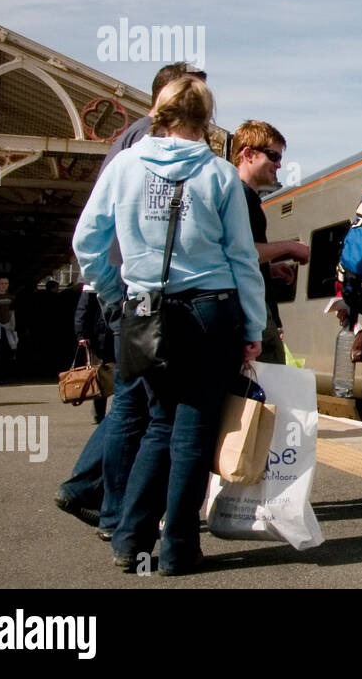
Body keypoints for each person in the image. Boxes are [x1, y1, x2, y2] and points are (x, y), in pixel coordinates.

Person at [73, 77, 264, 575]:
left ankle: (130, 541)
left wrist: (115, 298)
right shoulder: (221, 174)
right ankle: (179, 549)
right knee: (193, 431)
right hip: (211, 310)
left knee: (158, 426)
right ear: (206, 118)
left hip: (145, 310)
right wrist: (254, 326)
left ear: (159, 112)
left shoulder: (124, 166)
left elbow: (86, 244)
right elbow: (242, 258)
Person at [55, 62, 209, 536]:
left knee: (134, 402)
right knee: (137, 406)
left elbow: (92, 232)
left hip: (128, 292)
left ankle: (105, 504)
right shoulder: (153, 143)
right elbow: (98, 235)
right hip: (144, 295)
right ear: (169, 98)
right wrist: (111, 293)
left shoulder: (127, 142)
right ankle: (109, 507)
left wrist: (107, 290)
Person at [231, 120, 310, 364]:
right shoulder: (240, 195)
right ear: (248, 154)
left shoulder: (241, 195)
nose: (279, 164)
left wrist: (270, 268)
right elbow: (242, 251)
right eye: (273, 156)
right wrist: (289, 247)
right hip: (252, 310)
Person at [73, 284, 114, 424]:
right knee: (99, 376)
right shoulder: (91, 287)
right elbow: (82, 311)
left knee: (106, 375)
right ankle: (100, 413)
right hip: (100, 337)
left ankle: (107, 413)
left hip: (109, 334)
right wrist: (82, 334)